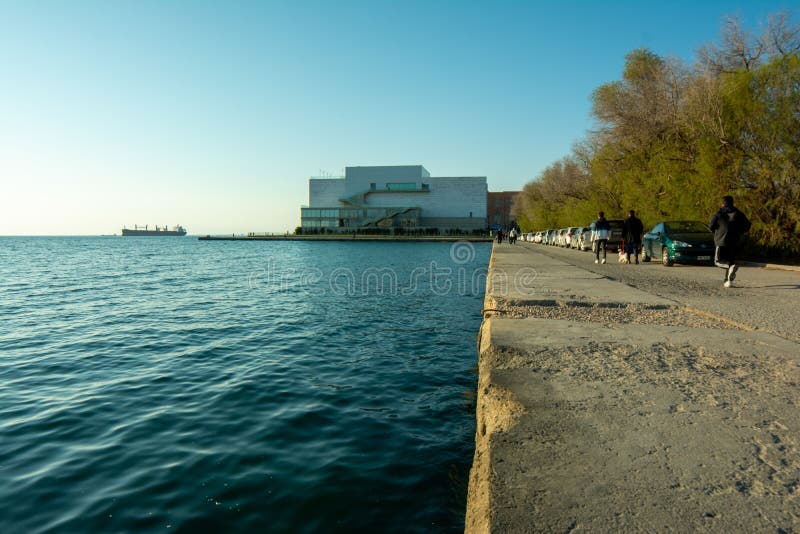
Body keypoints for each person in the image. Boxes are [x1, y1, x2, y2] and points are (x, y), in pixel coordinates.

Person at [709, 195, 751, 288]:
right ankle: (728, 281)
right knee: (731, 260)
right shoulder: (739, 213)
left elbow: (711, 225)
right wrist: (739, 232)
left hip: (721, 241)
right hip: (734, 241)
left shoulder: (718, 213)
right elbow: (747, 225)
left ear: (723, 203)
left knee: (718, 261)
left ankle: (730, 269)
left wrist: (717, 232)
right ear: (732, 203)